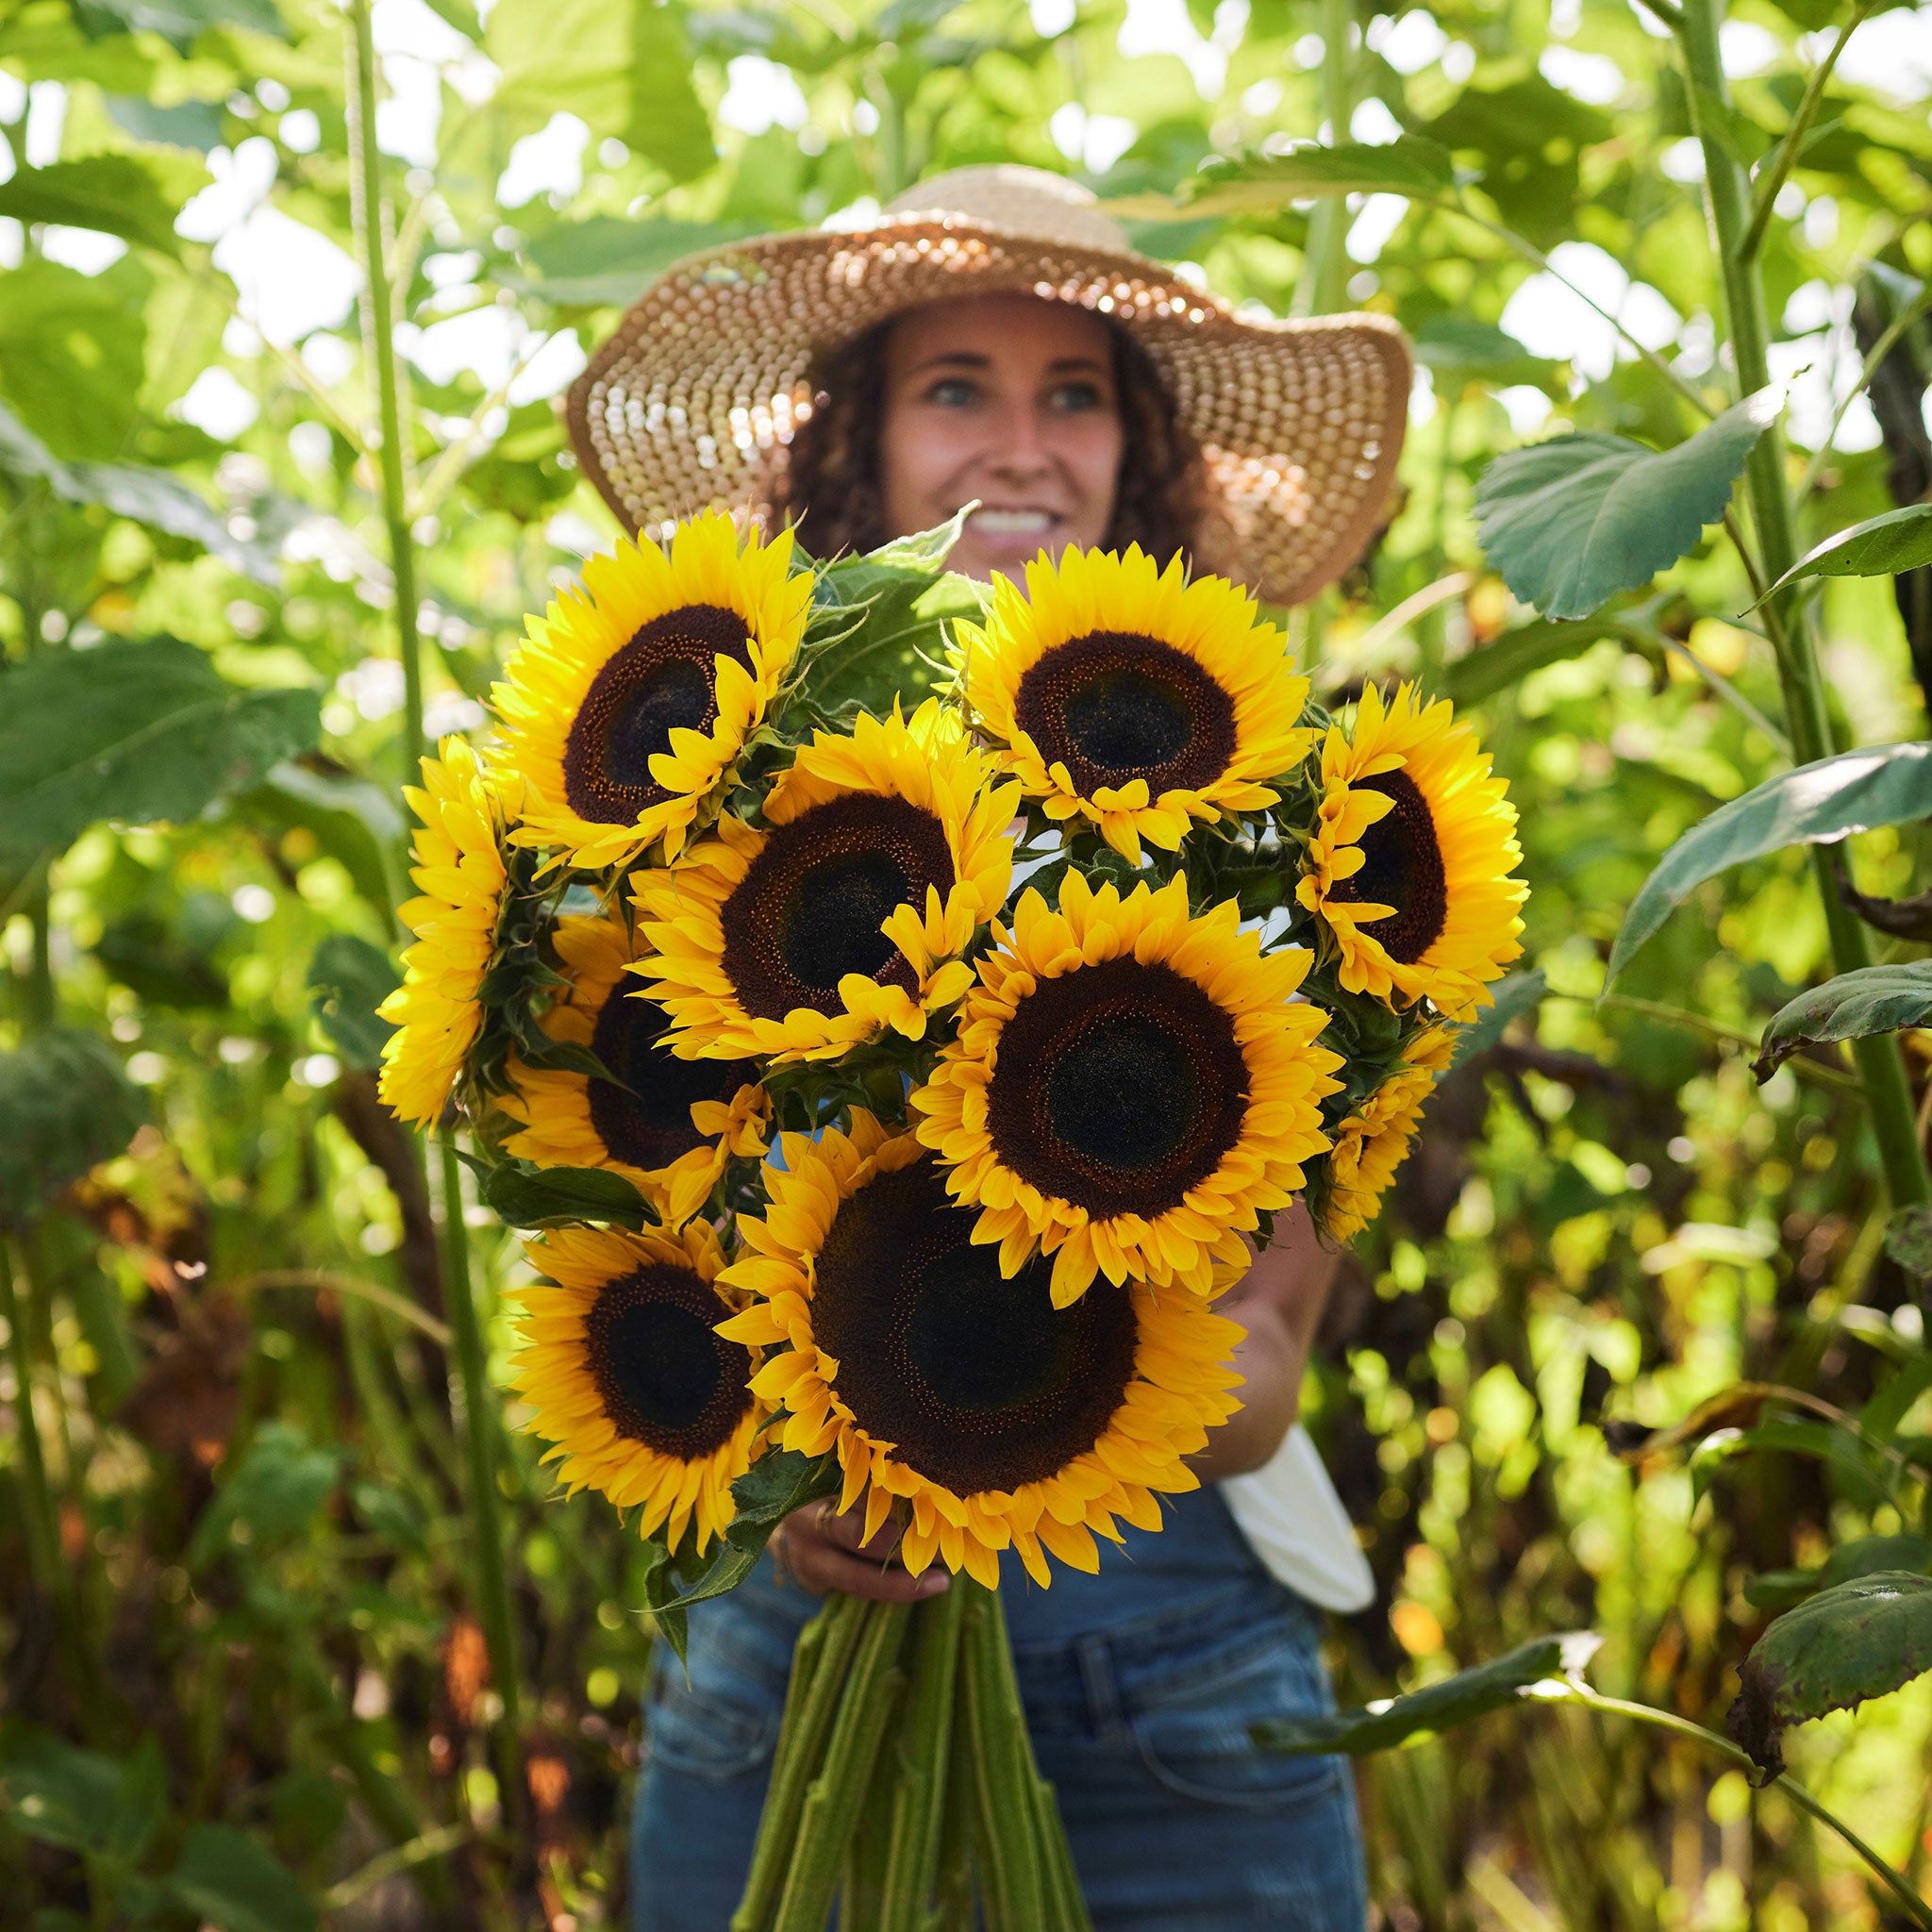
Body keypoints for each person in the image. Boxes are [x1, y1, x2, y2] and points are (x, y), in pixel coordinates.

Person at [565, 165, 1411, 1932]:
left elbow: (1269, 1355)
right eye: (956, 385)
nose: (1019, 446)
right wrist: (802, 1461)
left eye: (1074, 393)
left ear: (1135, 449)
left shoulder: (1278, 827)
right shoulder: (708, 812)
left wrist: (1097, 1389)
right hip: (795, 1633)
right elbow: (636, 1236)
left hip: (1158, 1634)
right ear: (854, 443)